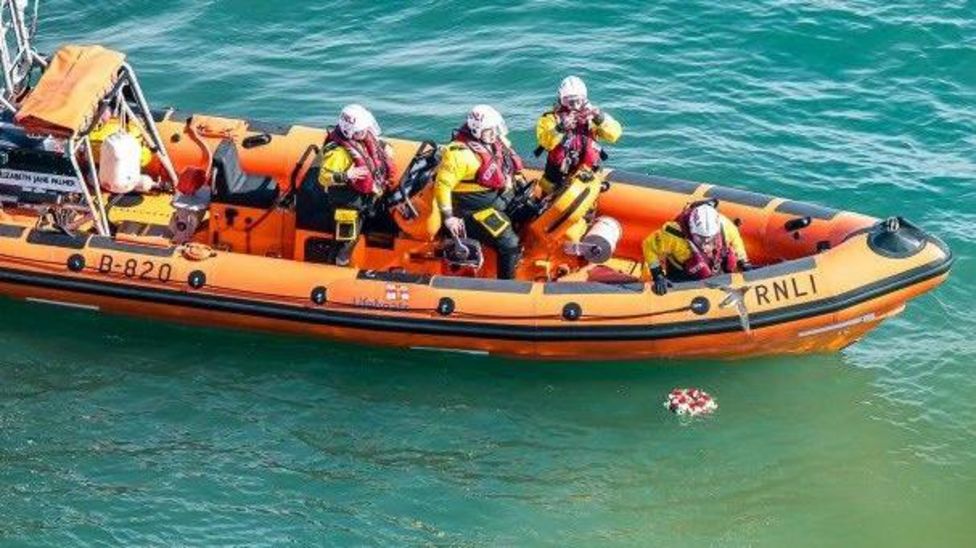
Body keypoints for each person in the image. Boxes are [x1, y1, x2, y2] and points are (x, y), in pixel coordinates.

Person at [434, 105, 526, 279]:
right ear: (477, 131)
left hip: (496, 197)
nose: (495, 134)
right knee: (509, 242)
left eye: (496, 129)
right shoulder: (459, 154)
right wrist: (449, 218)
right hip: (474, 210)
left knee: (528, 210)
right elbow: (443, 185)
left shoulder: (493, 143)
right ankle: (507, 285)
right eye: (490, 131)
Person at [318, 104, 396, 266]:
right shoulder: (338, 152)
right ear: (349, 132)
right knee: (346, 241)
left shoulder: (365, 138)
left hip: (365, 198)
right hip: (347, 203)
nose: (366, 132)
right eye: (361, 130)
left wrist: (386, 151)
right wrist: (347, 175)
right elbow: (324, 177)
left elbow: (375, 150)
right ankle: (336, 265)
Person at [642, 203, 753, 295]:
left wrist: (743, 261)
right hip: (682, 273)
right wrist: (658, 275)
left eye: (709, 239)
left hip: (716, 267)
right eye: (700, 238)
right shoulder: (673, 234)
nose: (705, 244)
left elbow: (736, 241)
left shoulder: (725, 226)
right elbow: (649, 246)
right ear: (691, 230)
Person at [535, 75, 622, 194]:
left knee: (588, 209)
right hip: (557, 179)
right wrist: (560, 128)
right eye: (569, 102)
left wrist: (600, 119)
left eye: (578, 101)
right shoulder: (550, 118)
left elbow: (614, 135)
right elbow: (545, 142)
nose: (575, 106)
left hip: (585, 178)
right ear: (561, 100)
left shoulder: (592, 116)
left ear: (584, 99)